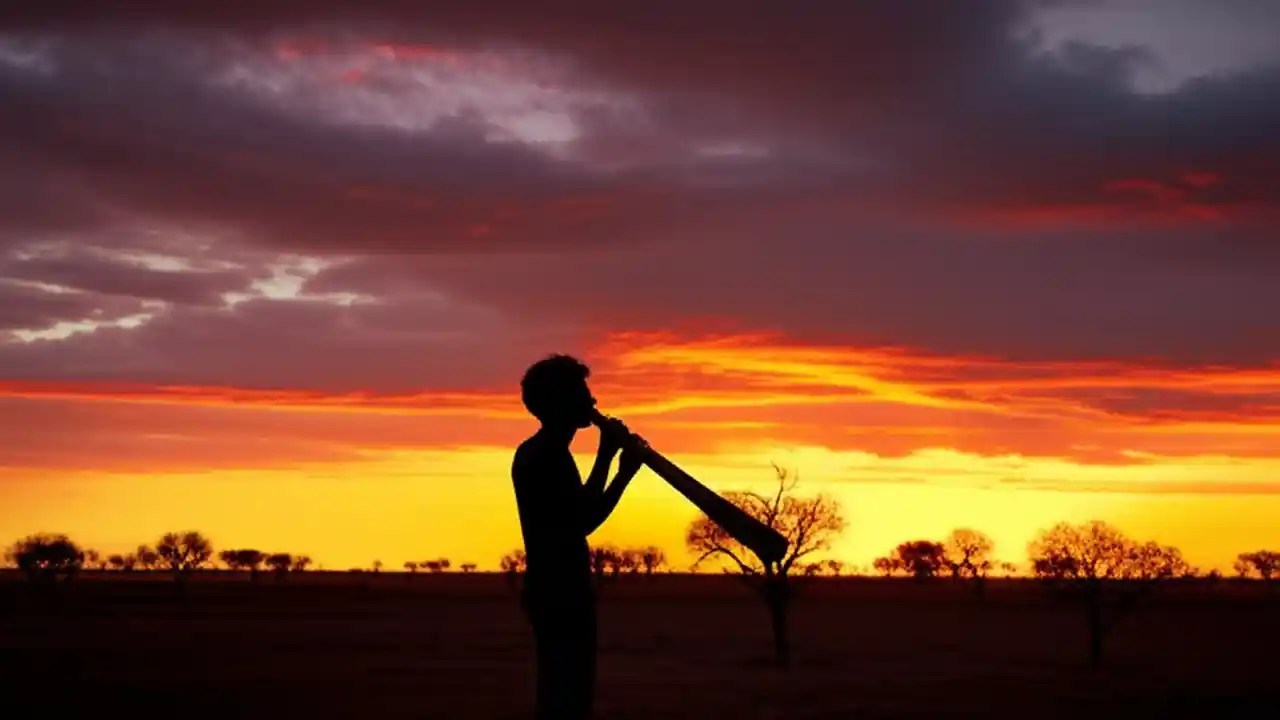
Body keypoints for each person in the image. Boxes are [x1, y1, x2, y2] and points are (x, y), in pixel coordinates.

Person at [511, 354, 644, 719]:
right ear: (561, 402)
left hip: (555, 589)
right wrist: (619, 469)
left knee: (564, 694)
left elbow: (580, 508)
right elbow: (583, 519)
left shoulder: (541, 452)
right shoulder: (545, 457)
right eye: (583, 394)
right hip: (560, 592)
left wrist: (611, 459)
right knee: (567, 697)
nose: (592, 401)